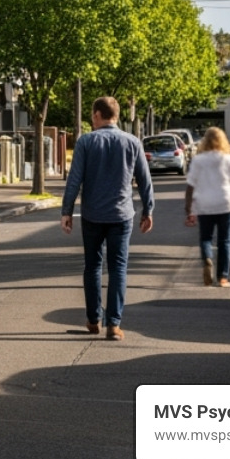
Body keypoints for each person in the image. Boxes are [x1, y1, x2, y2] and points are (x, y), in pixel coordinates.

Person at [61, 96, 154, 340]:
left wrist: (67, 211)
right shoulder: (133, 142)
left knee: (92, 266)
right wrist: (148, 210)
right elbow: (145, 180)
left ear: (97, 115)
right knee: (118, 268)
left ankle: (94, 319)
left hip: (92, 215)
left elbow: (75, 179)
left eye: (92, 115)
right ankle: (114, 324)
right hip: (122, 216)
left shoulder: (86, 142)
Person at [184, 126, 230, 287]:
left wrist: (189, 209)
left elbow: (190, 186)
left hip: (205, 204)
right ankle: (223, 277)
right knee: (225, 241)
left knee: (206, 238)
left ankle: (207, 258)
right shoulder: (228, 159)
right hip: (226, 203)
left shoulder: (198, 160)